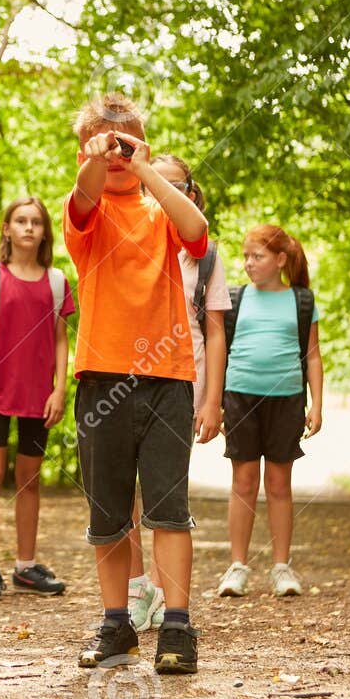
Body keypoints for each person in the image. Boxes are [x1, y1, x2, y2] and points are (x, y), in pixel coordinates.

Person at [65, 94, 209, 675]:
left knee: (169, 510)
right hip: (103, 378)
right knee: (109, 514)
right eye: (104, 142)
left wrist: (146, 167)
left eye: (126, 141)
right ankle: (116, 625)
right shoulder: (89, 213)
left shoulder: (160, 213)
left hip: (167, 376)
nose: (116, 152)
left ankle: (176, 626)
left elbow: (197, 231)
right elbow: (80, 197)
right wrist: (98, 159)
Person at [125, 155, 229, 631]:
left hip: (182, 381)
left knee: (166, 491)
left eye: (174, 185)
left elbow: (215, 331)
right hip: (122, 377)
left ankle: (170, 597)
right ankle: (136, 588)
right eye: (152, 184)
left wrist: (212, 400)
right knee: (122, 494)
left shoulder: (205, 255)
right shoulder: (126, 241)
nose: (161, 193)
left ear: (191, 192)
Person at [0, 197, 74, 600]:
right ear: (7, 229)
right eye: (21, 221)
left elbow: (62, 339)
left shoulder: (57, 282)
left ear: (45, 232)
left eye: (36, 222)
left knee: (28, 480)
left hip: (37, 395)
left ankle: (26, 566)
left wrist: (59, 389)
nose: (29, 228)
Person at [215, 224, 322, 599]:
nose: (248, 263)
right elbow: (220, 353)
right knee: (243, 483)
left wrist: (317, 404)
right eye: (245, 256)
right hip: (240, 396)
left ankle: (281, 567)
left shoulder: (301, 300)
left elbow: (312, 357)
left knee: (279, 485)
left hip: (287, 400)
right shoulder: (234, 299)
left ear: (280, 260)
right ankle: (238, 566)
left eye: (256, 256)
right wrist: (215, 403)